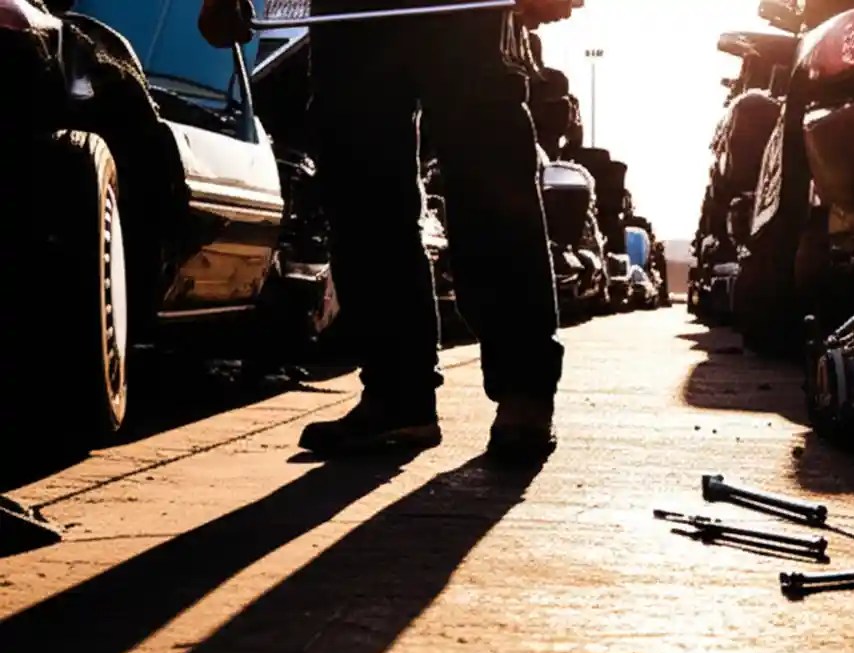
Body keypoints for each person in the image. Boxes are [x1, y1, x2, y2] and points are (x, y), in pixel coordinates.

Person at [198, 0, 576, 463]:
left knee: (489, 180)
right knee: (362, 188)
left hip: (466, 12)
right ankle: (398, 396)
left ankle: (524, 393)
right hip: (356, 14)